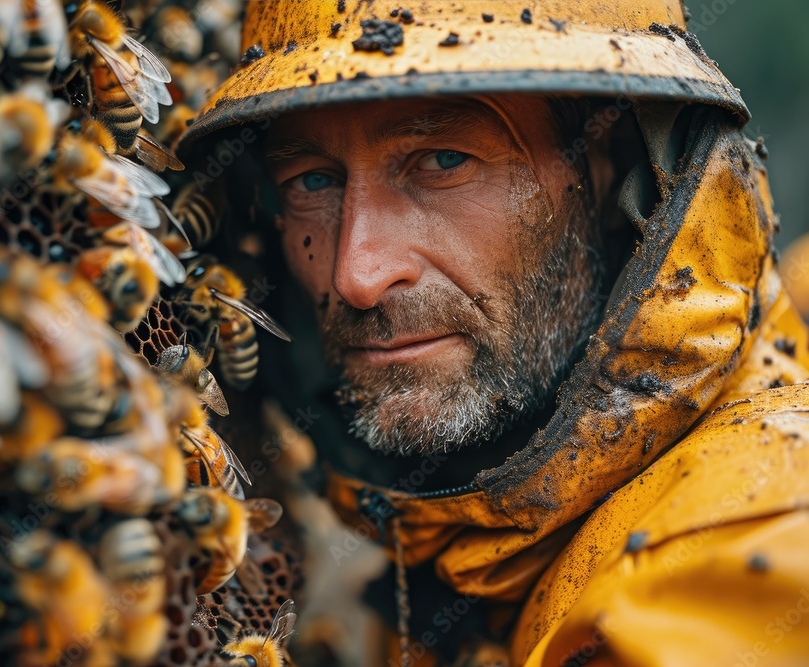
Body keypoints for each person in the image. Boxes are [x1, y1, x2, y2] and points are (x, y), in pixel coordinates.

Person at [179, 1, 809, 665]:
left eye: (444, 159)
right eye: (313, 181)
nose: (357, 275)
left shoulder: (744, 551)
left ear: (615, 166)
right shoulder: (458, 540)